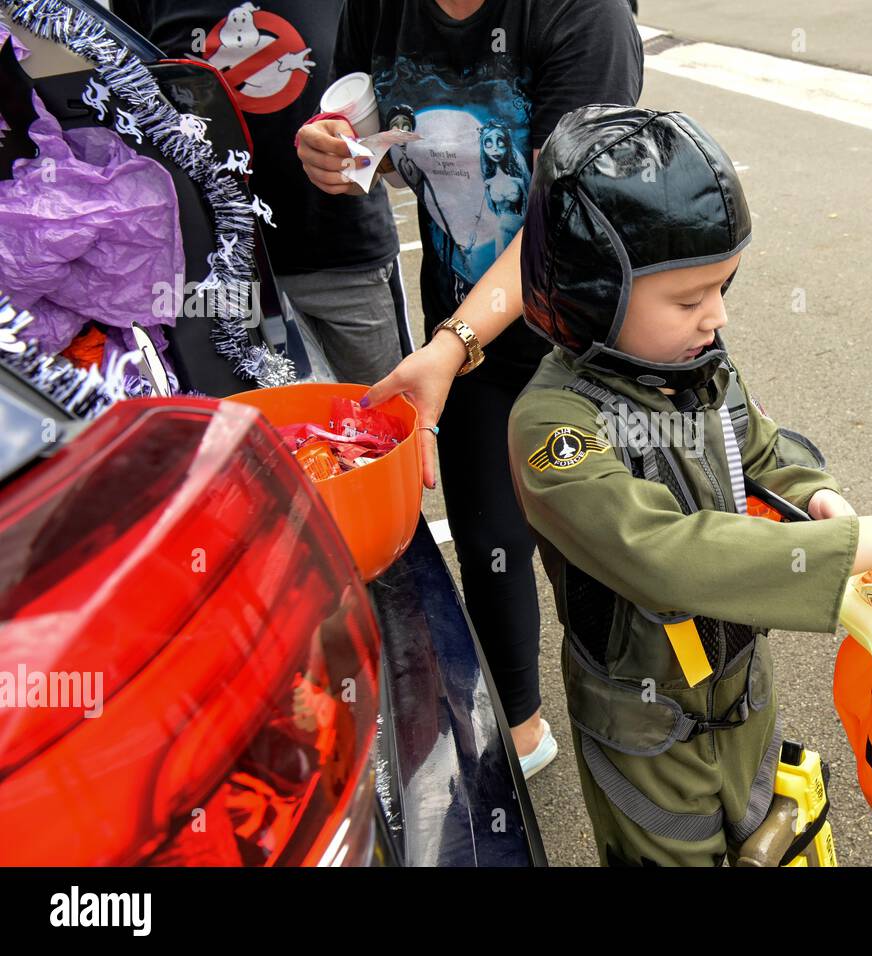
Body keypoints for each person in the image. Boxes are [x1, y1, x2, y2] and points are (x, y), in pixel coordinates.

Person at [506, 106, 872, 866]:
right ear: (594, 294)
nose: (715, 318)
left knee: (762, 836)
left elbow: (762, 448)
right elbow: (659, 551)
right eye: (687, 301)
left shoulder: (700, 370)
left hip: (741, 687)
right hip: (643, 723)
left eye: (723, 288)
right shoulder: (554, 428)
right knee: (670, 852)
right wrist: (862, 541)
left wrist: (819, 498)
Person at [296, 0, 643, 776]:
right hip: (467, 327)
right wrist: (345, 155)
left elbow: (565, 213)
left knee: (599, 549)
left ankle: (656, 754)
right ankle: (520, 736)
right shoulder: (378, 10)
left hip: (584, 338)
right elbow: (392, 144)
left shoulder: (582, 17)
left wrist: (451, 344)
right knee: (489, 541)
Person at [112, 0, 407, 385]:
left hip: (344, 253)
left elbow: (386, 83)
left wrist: (380, 154)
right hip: (222, 270)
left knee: (389, 413)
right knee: (281, 429)